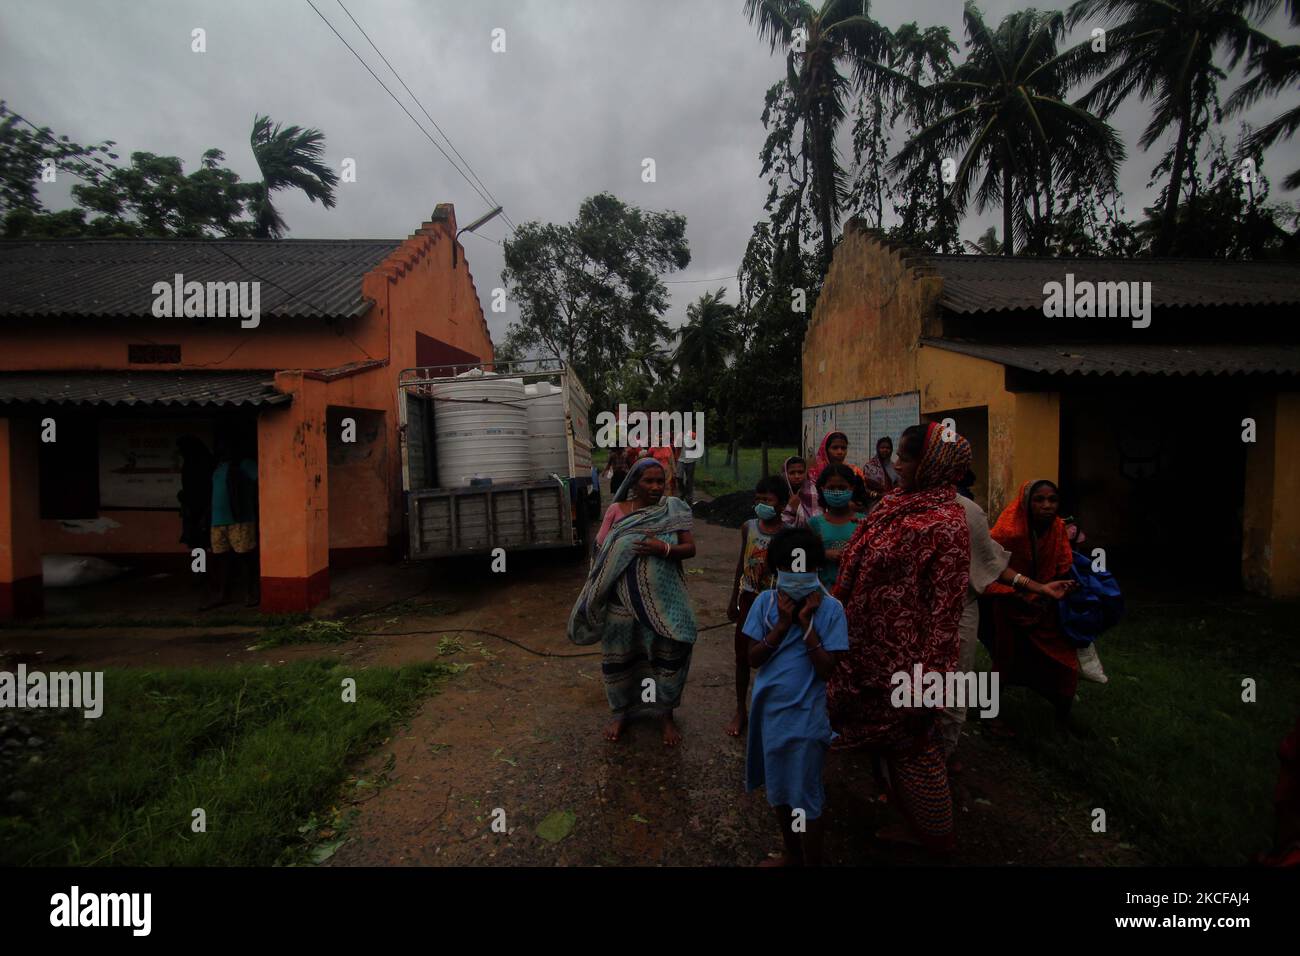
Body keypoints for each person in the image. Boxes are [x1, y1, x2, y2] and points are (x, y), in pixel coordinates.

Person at [827, 422, 970, 854]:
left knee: (915, 748)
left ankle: (936, 838)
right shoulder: (899, 503)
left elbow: (945, 610)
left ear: (932, 464)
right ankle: (906, 816)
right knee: (884, 742)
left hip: (907, 661)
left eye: (906, 459)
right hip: (866, 646)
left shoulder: (946, 523)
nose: (898, 466)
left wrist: (929, 678)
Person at [568, 457, 698, 746]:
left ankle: (666, 715)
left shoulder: (672, 508)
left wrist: (661, 547)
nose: (655, 487)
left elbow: (689, 548)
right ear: (633, 483)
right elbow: (602, 553)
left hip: (663, 603)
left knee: (666, 654)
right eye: (648, 481)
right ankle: (620, 713)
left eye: (660, 481)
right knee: (621, 656)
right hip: (621, 603)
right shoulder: (617, 510)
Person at [743, 527, 849, 866]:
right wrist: (781, 625)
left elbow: (826, 670)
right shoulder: (764, 604)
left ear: (817, 568)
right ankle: (792, 852)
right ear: (776, 571)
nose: (798, 574)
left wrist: (805, 625)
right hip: (770, 715)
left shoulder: (831, 611)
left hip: (807, 718)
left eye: (805, 567)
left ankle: (810, 859)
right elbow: (752, 658)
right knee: (779, 791)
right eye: (791, 567)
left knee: (805, 795)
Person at [981, 479, 1083, 727]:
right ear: (1026, 502)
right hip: (1009, 604)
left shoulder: (1057, 528)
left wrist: (1060, 587)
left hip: (1045, 607)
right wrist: (1020, 594)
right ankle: (988, 717)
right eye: (1039, 500)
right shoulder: (1007, 531)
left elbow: (1062, 564)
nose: (1047, 506)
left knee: (1064, 662)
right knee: (1004, 661)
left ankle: (1063, 721)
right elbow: (990, 569)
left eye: (1052, 500)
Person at [725, 475, 786, 738]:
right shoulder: (748, 528)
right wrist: (733, 599)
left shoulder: (788, 534)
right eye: (758, 499)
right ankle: (741, 709)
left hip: (774, 601)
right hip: (749, 599)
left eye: (768, 500)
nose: (761, 504)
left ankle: (770, 711)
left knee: (773, 655)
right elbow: (741, 563)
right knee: (742, 656)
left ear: (782, 505)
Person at [202, 437, 259, 610]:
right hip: (218, 521)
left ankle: (250, 592)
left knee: (246, 556)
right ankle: (224, 594)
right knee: (221, 558)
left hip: (240, 520)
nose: (222, 451)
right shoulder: (218, 467)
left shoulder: (246, 465)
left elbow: (260, 483)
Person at [807, 464, 867, 591]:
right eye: (831, 488)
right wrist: (824, 554)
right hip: (824, 591)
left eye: (842, 487)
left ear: (852, 488)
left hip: (855, 590)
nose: (836, 492)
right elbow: (804, 556)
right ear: (822, 489)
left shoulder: (863, 521)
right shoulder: (814, 523)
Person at [176, 435, 214, 583]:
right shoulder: (201, 462)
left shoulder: (196, 464)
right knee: (199, 544)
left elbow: (201, 490)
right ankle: (199, 572)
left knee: (198, 543)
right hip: (196, 509)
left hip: (199, 509)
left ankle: (200, 573)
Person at [781, 455, 818, 527]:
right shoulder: (780, 492)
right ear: (785, 474)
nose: (797, 476)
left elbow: (817, 521)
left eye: (800, 472)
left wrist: (796, 508)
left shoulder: (814, 492)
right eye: (792, 473)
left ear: (805, 473)